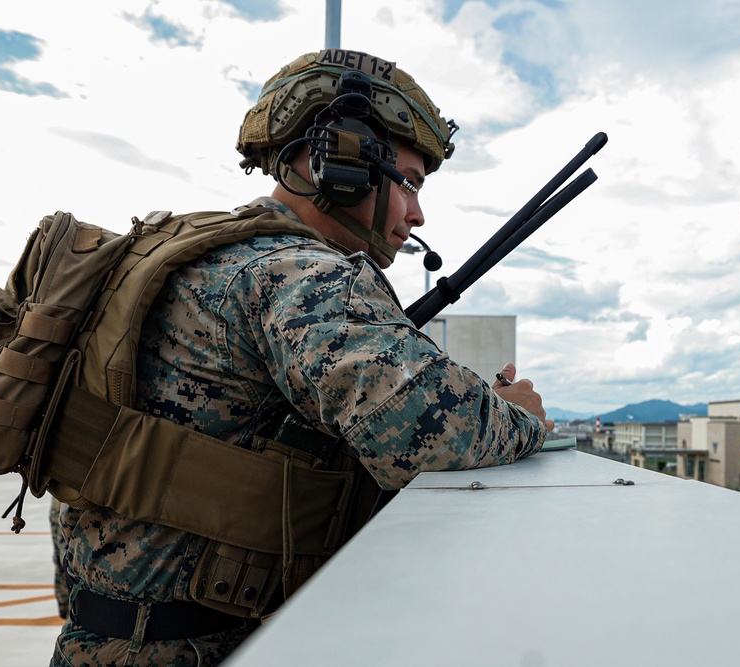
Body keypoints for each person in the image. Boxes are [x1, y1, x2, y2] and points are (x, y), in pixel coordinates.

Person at [50, 48, 553, 666]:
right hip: (198, 648)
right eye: (411, 182)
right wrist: (516, 411)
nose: (418, 213)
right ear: (343, 161)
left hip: (102, 634)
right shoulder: (299, 274)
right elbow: (435, 436)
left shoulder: (198, 257)